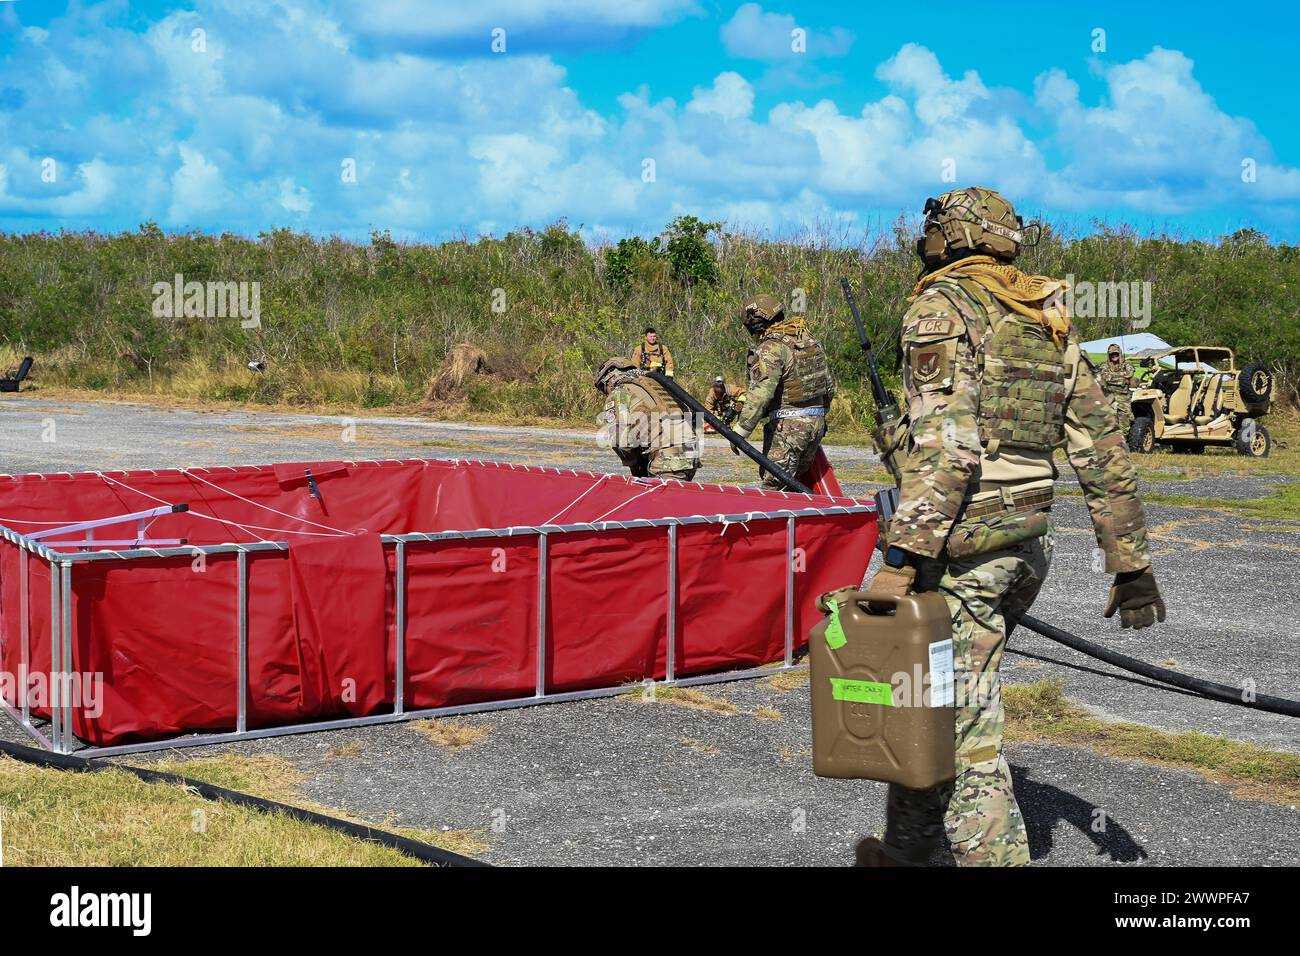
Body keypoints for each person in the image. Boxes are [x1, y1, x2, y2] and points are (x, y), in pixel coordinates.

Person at [856, 186, 1166, 867]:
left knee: (966, 737)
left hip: (962, 551)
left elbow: (950, 444)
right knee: (928, 706)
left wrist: (901, 556)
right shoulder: (1042, 312)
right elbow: (1099, 444)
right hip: (1025, 544)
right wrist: (1131, 562)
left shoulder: (942, 306)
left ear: (951, 235)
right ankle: (906, 855)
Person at [730, 295, 834, 489]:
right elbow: (827, 386)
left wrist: (741, 431)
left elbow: (760, 395)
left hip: (788, 429)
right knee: (796, 485)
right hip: (816, 423)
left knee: (774, 488)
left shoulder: (771, 348)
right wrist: (820, 418)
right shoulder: (808, 340)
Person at [594, 356, 699, 480]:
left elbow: (622, 443)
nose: (606, 392)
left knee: (658, 499)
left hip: (667, 461)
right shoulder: (656, 385)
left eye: (603, 387)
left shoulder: (620, 392)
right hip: (691, 454)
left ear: (611, 377)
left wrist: (635, 467)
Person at [1097, 343, 1136, 439]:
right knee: (1109, 419)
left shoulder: (1127, 364)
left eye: (1116, 354)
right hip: (1109, 396)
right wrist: (1122, 380)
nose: (1114, 356)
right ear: (1109, 355)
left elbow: (1129, 374)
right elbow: (1106, 377)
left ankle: (1123, 440)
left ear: (1120, 354)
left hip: (1124, 398)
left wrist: (1114, 376)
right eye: (1112, 354)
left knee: (1125, 420)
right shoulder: (1104, 365)